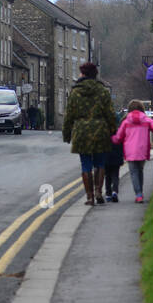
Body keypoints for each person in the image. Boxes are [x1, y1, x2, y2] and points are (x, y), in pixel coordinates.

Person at [61, 62, 116, 207]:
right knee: (100, 163)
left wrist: (67, 134)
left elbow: (69, 116)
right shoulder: (103, 91)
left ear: (84, 74)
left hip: (81, 131)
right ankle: (99, 191)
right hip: (100, 130)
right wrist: (113, 130)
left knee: (85, 165)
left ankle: (90, 197)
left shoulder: (75, 92)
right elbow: (110, 113)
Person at [111, 100, 153, 203]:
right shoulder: (146, 120)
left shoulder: (126, 121)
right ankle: (140, 193)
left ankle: (139, 194)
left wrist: (110, 138)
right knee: (140, 171)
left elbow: (118, 137)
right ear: (142, 109)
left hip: (130, 151)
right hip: (142, 150)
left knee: (134, 173)